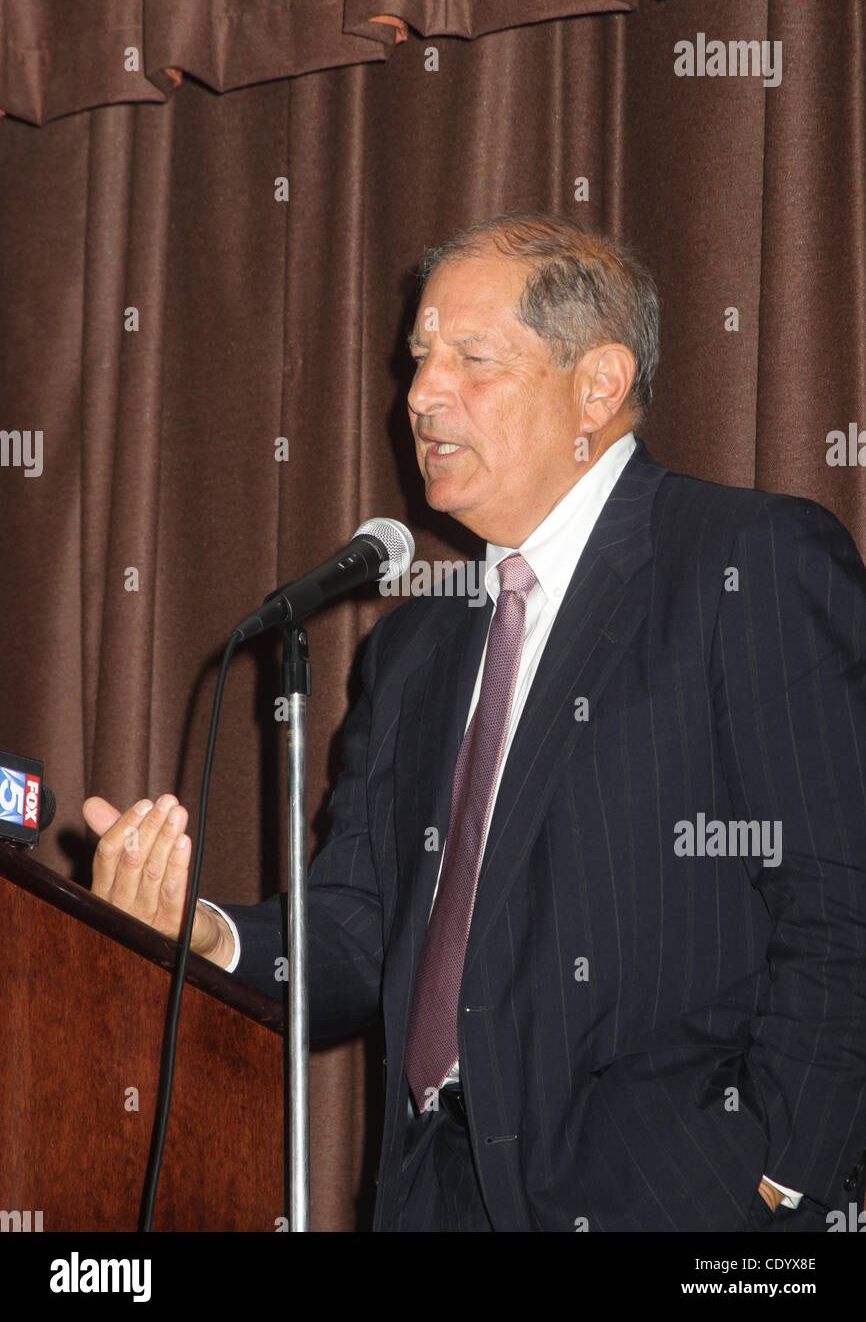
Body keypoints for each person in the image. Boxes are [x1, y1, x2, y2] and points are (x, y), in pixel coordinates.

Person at [83, 213, 866, 1232]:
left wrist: (778, 1179)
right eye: (416, 359)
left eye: (470, 358)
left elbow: (837, 897)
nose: (418, 395)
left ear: (597, 384)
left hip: (679, 1200)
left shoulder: (741, 565)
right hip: (434, 1197)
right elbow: (360, 926)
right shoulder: (412, 652)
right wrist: (210, 935)